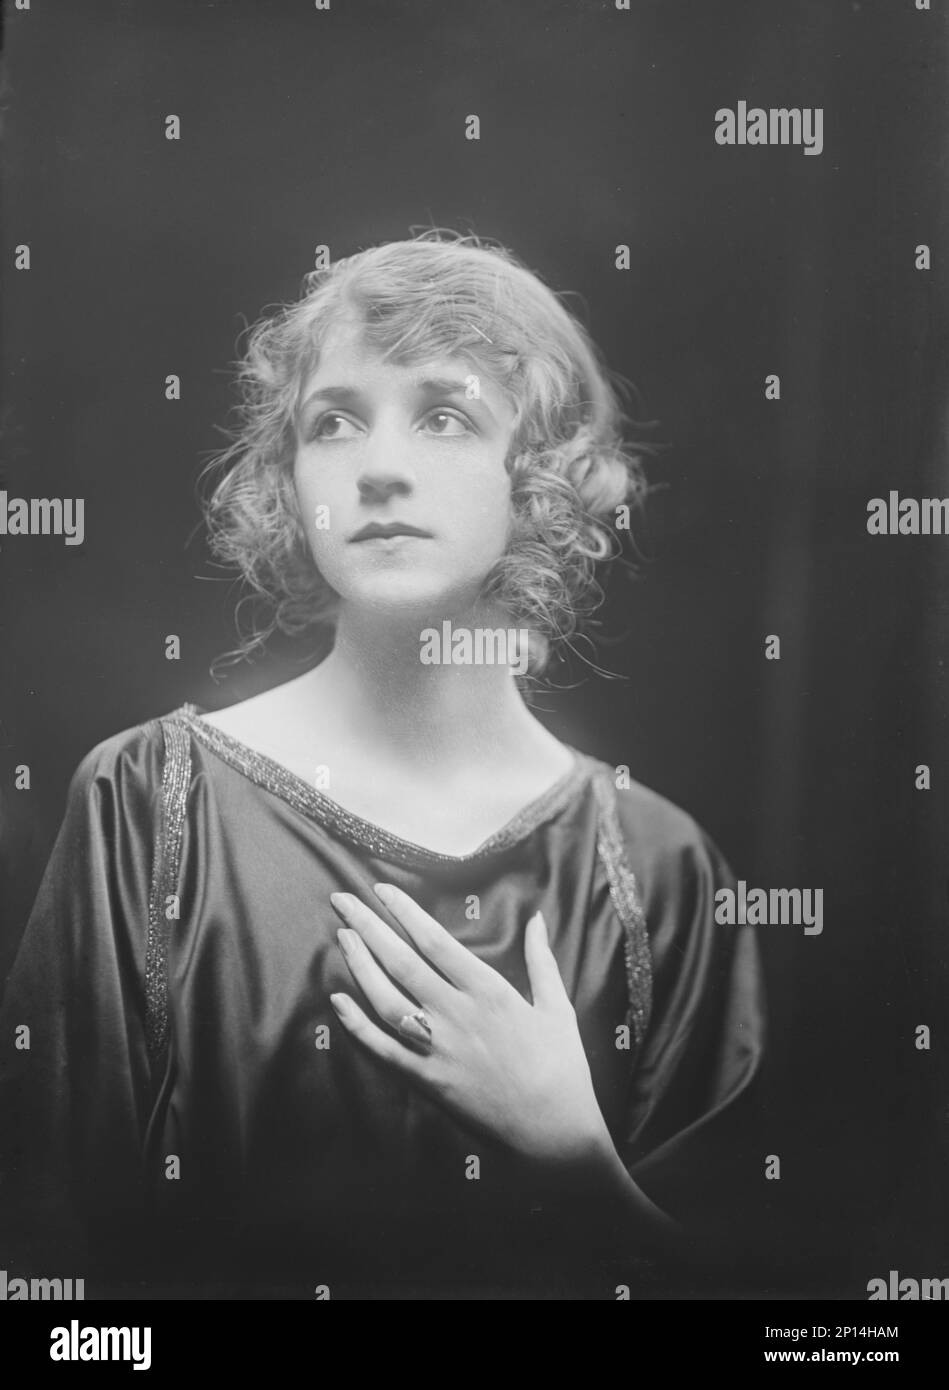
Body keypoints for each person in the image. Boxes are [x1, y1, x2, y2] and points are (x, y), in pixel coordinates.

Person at [0, 231, 764, 1299]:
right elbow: (49, 1278)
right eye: (333, 421)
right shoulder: (147, 803)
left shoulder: (659, 869)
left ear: (540, 477)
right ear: (289, 477)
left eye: (444, 415)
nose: (378, 465)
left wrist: (580, 1164)